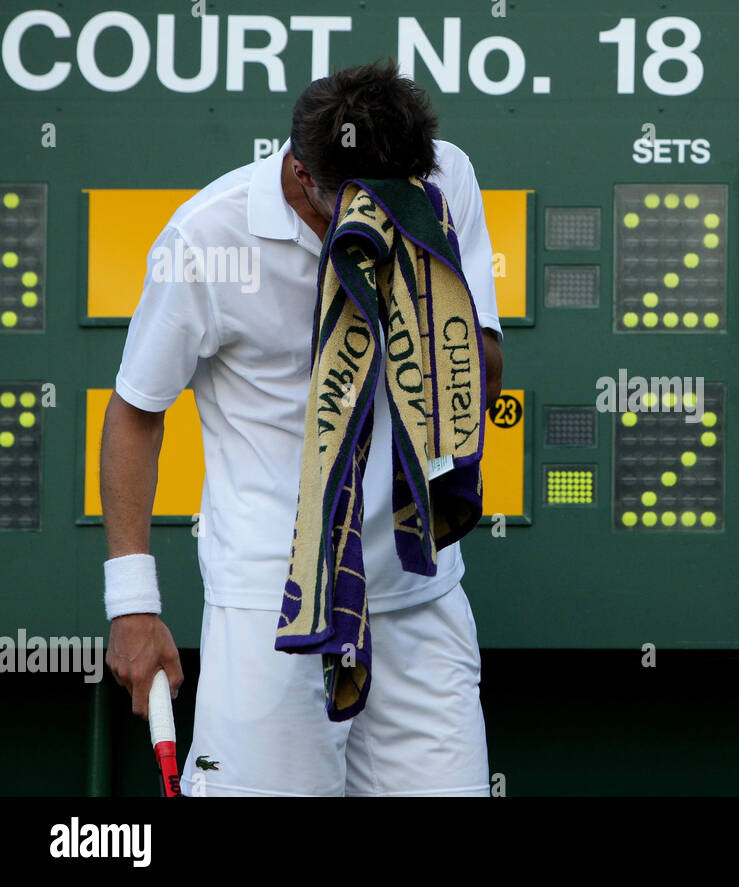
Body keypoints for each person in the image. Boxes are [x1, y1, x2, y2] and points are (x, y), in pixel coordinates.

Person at [98, 58, 504, 796]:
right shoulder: (204, 237)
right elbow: (134, 411)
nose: (377, 218)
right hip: (270, 608)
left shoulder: (443, 183)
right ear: (300, 174)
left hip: (418, 593)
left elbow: (481, 379)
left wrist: (420, 279)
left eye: (398, 199)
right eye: (356, 205)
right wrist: (132, 603)